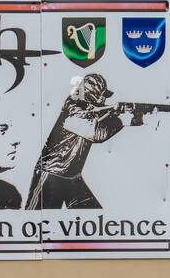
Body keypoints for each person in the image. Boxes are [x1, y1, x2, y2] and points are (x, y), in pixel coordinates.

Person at [25, 73, 132, 210]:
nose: (104, 99)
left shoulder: (88, 109)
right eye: (102, 95)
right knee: (37, 223)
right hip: (51, 174)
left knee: (95, 218)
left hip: (72, 176)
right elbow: (97, 134)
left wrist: (117, 114)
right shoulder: (73, 107)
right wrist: (120, 119)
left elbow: (96, 117)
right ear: (91, 93)